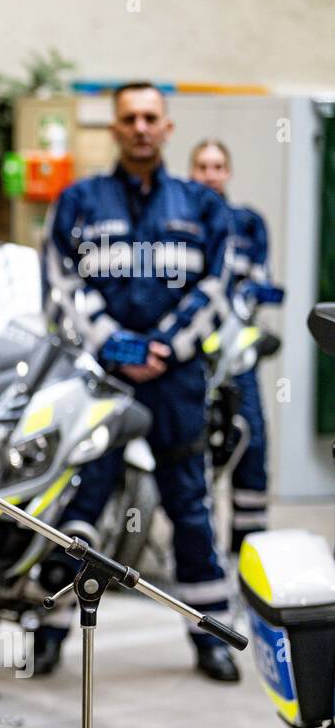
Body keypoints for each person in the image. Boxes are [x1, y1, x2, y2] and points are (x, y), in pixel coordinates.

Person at [36, 82, 239, 682]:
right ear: (115, 129)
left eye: (152, 117)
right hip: (101, 378)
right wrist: (112, 345)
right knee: (77, 502)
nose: (142, 127)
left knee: (190, 503)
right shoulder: (77, 201)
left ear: (168, 127)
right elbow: (61, 284)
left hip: (175, 380)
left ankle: (212, 636)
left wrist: (165, 347)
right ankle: (47, 630)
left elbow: (217, 289)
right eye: (130, 118)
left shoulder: (202, 206)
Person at [189, 138, 280, 552]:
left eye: (218, 166)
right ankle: (198, 551)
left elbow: (261, 283)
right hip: (188, 360)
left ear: (228, 172)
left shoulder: (248, 223)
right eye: (203, 166)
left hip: (235, 360)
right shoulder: (178, 223)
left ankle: (248, 552)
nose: (210, 174)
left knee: (250, 443)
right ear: (191, 172)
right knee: (193, 456)